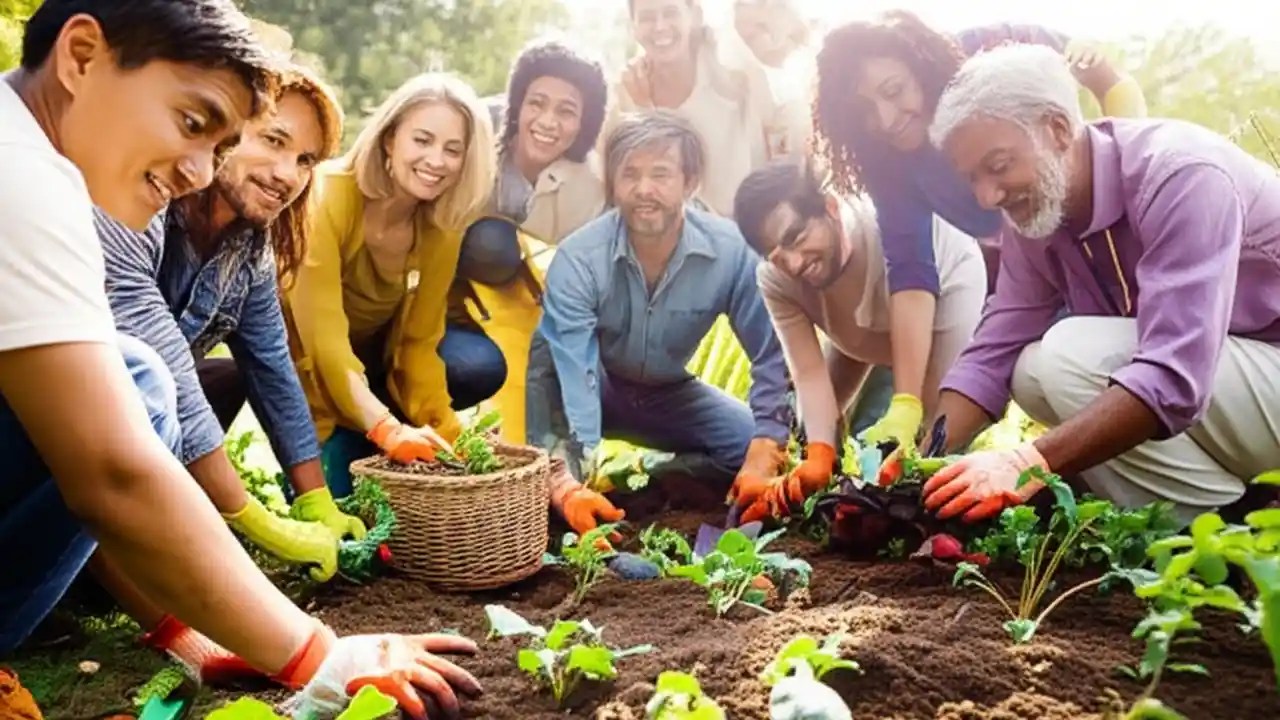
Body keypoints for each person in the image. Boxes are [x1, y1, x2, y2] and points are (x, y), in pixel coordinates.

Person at [0, 0, 482, 714]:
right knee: (139, 386)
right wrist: (317, 650)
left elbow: (272, 369)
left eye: (219, 145)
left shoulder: (53, 172)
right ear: (80, 57)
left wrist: (191, 630)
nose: (198, 170)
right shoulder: (23, 180)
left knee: (134, 388)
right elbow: (109, 470)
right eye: (193, 123)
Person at [920, 43, 1280, 528]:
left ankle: (1221, 530)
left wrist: (1022, 462)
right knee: (1030, 369)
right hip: (1235, 394)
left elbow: (1173, 374)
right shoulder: (1037, 213)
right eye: (973, 178)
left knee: (1070, 354)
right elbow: (992, 352)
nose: (988, 195)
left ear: (1058, 128)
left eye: (999, 165)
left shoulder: (1180, 176)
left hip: (1261, 367)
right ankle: (1226, 511)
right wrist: (921, 466)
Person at [812, 10, 1150, 450]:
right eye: (865, 111)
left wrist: (1126, 176)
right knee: (1044, 370)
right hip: (1034, 264)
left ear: (920, 64)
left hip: (1105, 231)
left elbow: (1102, 77)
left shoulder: (987, 53)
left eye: (893, 91)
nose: (887, 118)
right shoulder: (888, 158)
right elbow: (912, 273)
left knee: (1143, 346)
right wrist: (907, 404)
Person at [94, 64, 360, 591]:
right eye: (274, 141)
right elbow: (165, 369)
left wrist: (316, 502)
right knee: (156, 380)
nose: (288, 173)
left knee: (231, 376)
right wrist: (255, 521)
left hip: (137, 412)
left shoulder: (249, 248)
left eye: (305, 159)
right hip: (58, 417)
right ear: (224, 130)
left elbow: (274, 372)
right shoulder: (143, 206)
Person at [529, 110, 791, 536]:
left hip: (668, 395)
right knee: (547, 358)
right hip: (596, 385)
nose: (643, 190)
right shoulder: (580, 258)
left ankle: (653, 475)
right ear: (613, 183)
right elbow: (569, 375)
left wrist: (765, 450)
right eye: (629, 174)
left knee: (747, 440)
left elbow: (771, 356)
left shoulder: (732, 253)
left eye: (661, 174)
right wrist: (568, 481)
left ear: (690, 183)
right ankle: (569, 487)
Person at [728, 159, 986, 524]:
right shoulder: (776, 279)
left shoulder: (887, 226)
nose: (795, 263)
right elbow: (807, 372)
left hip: (938, 304)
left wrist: (907, 405)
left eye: (798, 239)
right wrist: (818, 454)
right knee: (815, 437)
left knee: (924, 450)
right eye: (778, 256)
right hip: (854, 335)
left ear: (830, 208)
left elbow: (913, 293)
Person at [285, 72, 500, 497]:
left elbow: (419, 342)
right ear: (389, 139)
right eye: (422, 140)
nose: (436, 160)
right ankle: (345, 432)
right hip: (304, 371)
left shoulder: (440, 225)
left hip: (373, 365)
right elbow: (322, 344)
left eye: (452, 150)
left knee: (479, 364)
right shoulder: (327, 197)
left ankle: (371, 418)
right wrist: (384, 428)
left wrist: (455, 439)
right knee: (345, 508)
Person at [453, 37, 610, 444]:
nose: (547, 121)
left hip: (511, 291)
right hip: (442, 270)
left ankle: (546, 451)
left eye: (566, 111)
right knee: (493, 242)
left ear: (584, 122)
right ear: (518, 103)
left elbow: (588, 269)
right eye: (536, 102)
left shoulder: (588, 184)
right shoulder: (475, 134)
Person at [605, 0, 807, 216]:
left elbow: (789, 122)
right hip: (675, 237)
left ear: (694, 16)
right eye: (647, 18)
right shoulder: (627, 92)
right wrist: (645, 112)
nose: (659, 26)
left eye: (670, 13)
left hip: (748, 230)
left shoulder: (733, 71)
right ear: (633, 27)